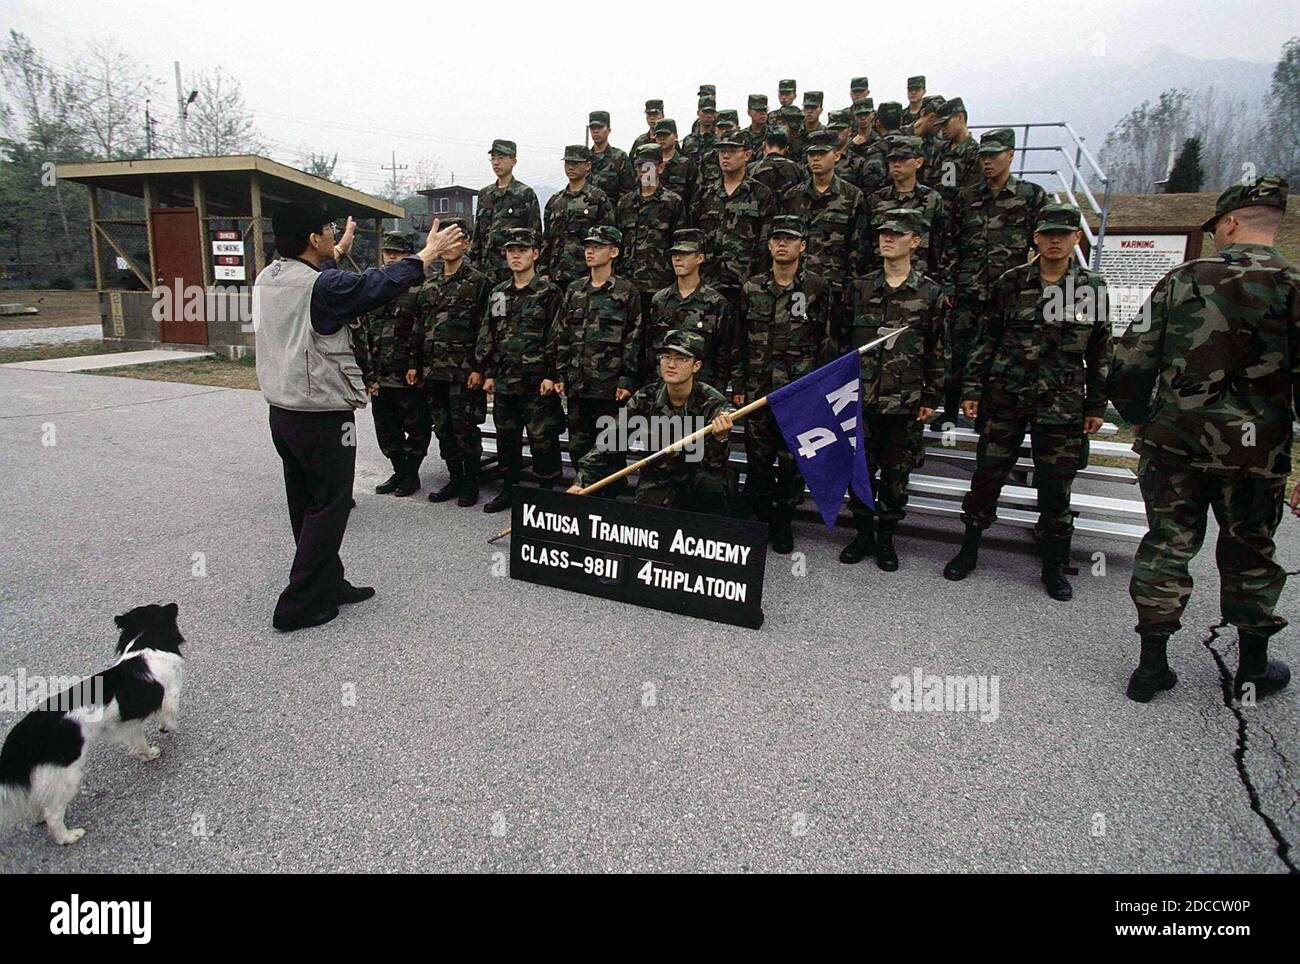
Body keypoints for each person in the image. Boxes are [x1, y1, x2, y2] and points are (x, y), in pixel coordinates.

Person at [1109, 176, 1297, 704]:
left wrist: (1140, 418)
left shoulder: (1183, 279)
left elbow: (1129, 362)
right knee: (1252, 551)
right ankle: (1252, 670)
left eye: (1217, 227)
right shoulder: (1293, 282)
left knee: (1167, 546)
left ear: (1231, 221)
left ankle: (1151, 669)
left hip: (1176, 445)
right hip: (1258, 451)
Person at [254, 203, 462, 631]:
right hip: (321, 416)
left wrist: (335, 249)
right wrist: (426, 255)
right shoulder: (321, 287)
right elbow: (374, 285)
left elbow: (325, 282)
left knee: (306, 505)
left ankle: (328, 583)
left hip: (283, 412)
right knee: (329, 507)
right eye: (328, 230)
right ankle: (297, 604)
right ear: (313, 239)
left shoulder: (268, 278)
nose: (334, 234)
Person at [944, 204, 1109, 601]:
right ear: (1035, 237)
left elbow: (1102, 349)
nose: (1055, 240)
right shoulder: (1011, 282)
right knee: (987, 476)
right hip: (1006, 396)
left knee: (1056, 486)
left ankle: (1054, 567)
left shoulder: (1091, 287)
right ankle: (968, 550)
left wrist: (1096, 405)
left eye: (1063, 234)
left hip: (1062, 402)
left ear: (1076, 238)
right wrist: (972, 390)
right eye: (1047, 233)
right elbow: (987, 339)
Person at [842, 209, 947, 570]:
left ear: (915, 241)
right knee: (859, 472)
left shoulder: (930, 293)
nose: (887, 239)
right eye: (884, 233)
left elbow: (938, 348)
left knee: (896, 476)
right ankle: (862, 535)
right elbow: (839, 345)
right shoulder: (859, 288)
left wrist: (932, 396)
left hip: (905, 402)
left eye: (898, 234)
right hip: (860, 399)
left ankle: (886, 540)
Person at [732, 215, 829, 553]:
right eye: (777, 239)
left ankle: (783, 521)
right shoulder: (752, 287)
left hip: (799, 393)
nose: (782, 244)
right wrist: (740, 383)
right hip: (759, 390)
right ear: (769, 245)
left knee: (792, 462)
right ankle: (759, 520)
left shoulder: (817, 287)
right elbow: (740, 342)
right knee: (758, 460)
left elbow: (827, 341)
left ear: (803, 246)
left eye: (790, 239)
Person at [943, 127, 1047, 426]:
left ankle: (988, 416)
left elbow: (1041, 243)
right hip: (968, 290)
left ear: (1011, 155)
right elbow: (952, 245)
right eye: (983, 156)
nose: (987, 162)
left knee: (1002, 354)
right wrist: (951, 285)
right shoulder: (966, 198)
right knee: (959, 353)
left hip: (1008, 293)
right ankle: (950, 413)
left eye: (994, 155)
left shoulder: (1030, 195)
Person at [570, 329, 735, 514]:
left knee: (713, 484)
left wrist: (720, 439)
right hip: (657, 478)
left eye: (681, 359)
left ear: (696, 366)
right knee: (643, 522)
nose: (671, 364)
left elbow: (715, 465)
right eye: (666, 357)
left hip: (695, 479)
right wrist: (582, 482)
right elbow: (610, 441)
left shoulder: (712, 401)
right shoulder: (645, 397)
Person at [475, 228, 566, 513]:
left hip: (537, 382)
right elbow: (489, 332)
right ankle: (509, 490)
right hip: (505, 381)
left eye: (522, 250)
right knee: (507, 440)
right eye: (511, 250)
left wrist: (552, 374)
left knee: (543, 440)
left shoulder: (549, 292)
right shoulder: (498, 292)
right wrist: (489, 372)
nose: (515, 255)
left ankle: (547, 494)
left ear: (535, 254)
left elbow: (558, 335)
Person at [551, 225, 642, 492]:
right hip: (579, 384)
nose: (590, 251)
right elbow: (563, 334)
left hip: (610, 386)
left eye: (598, 247)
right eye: (588, 247)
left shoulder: (626, 292)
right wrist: (561, 374)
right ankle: (583, 495)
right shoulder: (575, 290)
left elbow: (634, 338)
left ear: (613, 252)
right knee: (579, 444)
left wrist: (626, 377)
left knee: (611, 445)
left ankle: (610, 501)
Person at [407, 216, 489, 508]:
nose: (450, 246)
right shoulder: (428, 284)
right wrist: (415, 364)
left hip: (463, 372)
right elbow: (420, 326)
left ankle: (471, 483)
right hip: (433, 370)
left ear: (465, 244)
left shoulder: (479, 282)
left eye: (456, 239)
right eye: (446, 239)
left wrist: (480, 368)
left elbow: (485, 329)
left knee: (465, 428)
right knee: (443, 429)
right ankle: (455, 479)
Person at [352, 231, 431, 499]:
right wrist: (367, 373)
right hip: (380, 373)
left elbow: (425, 331)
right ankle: (401, 471)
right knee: (386, 429)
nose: (391, 257)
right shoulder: (375, 289)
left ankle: (411, 474)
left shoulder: (420, 287)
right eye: (388, 252)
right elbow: (363, 332)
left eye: (397, 253)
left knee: (417, 426)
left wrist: (417, 365)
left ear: (409, 256)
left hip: (407, 373)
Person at [782, 128, 867, 359]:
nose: (815, 159)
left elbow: (857, 247)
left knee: (833, 352)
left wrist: (851, 287)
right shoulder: (793, 197)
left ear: (837, 155)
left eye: (822, 153)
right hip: (800, 289)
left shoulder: (852, 196)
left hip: (835, 289)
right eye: (811, 154)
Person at [691, 132, 775, 326]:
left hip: (746, 281)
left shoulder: (760, 194)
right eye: (722, 152)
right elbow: (694, 239)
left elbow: (765, 244)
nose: (725, 156)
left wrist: (758, 281)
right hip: (709, 281)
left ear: (747, 155)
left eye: (731, 151)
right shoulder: (705, 194)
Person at [644, 228, 734, 388]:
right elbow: (649, 348)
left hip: (702, 389)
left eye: (685, 254)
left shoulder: (716, 303)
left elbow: (724, 352)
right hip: (664, 388)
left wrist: (717, 392)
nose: (678, 259)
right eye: (674, 254)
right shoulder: (660, 300)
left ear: (700, 258)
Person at [615, 144, 685, 323]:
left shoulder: (672, 203)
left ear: (660, 168)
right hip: (627, 284)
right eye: (640, 167)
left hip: (660, 285)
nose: (644, 171)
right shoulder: (625, 203)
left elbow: (680, 244)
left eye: (650, 166)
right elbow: (616, 244)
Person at [865, 135, 947, 279]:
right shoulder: (876, 199)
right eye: (892, 160)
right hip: (882, 278)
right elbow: (865, 242)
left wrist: (942, 279)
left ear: (918, 162)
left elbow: (941, 243)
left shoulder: (932, 199)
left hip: (920, 279)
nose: (896, 164)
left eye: (902, 159)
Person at [540, 144, 615, 291]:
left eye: (576, 163)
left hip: (587, 276)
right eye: (567, 163)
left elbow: (609, 239)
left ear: (588, 166)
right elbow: (546, 240)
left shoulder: (598, 198)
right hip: (556, 276)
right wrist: (543, 271)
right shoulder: (555, 200)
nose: (570, 167)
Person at [468, 138, 542, 283]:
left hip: (513, 271)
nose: (496, 163)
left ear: (513, 161)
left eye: (501, 158)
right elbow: (477, 235)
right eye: (493, 158)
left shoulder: (524, 194)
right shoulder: (485, 194)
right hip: (485, 271)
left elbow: (535, 235)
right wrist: (475, 266)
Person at [587, 110, 635, 203]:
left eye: (600, 127)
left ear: (608, 130)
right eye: (593, 128)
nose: (596, 131)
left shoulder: (620, 157)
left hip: (612, 212)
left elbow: (628, 192)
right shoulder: (584, 158)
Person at [653, 118, 698, 215]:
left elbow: (694, 195)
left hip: (680, 218)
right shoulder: (650, 165)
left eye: (666, 135)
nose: (661, 139)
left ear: (676, 136)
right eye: (659, 136)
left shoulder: (686, 164)